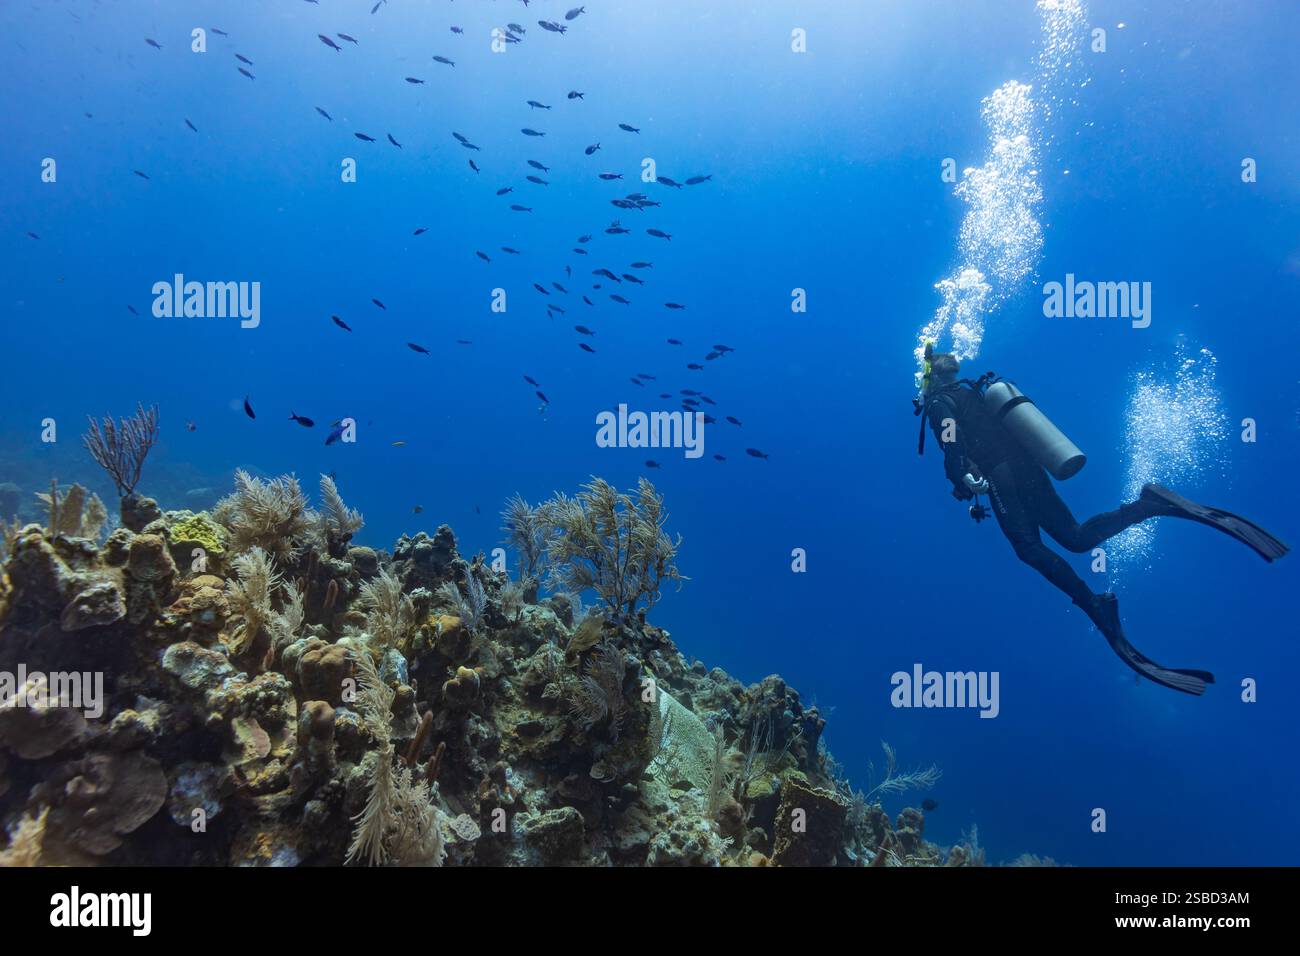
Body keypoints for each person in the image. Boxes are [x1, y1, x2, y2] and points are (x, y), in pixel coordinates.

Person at [919, 350, 1289, 695]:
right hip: (1028, 468)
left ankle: (1093, 604)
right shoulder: (975, 393)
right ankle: (1149, 505)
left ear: (928, 379)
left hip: (1003, 477)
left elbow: (950, 435)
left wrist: (961, 477)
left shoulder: (939, 402)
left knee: (1028, 548)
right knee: (1075, 537)